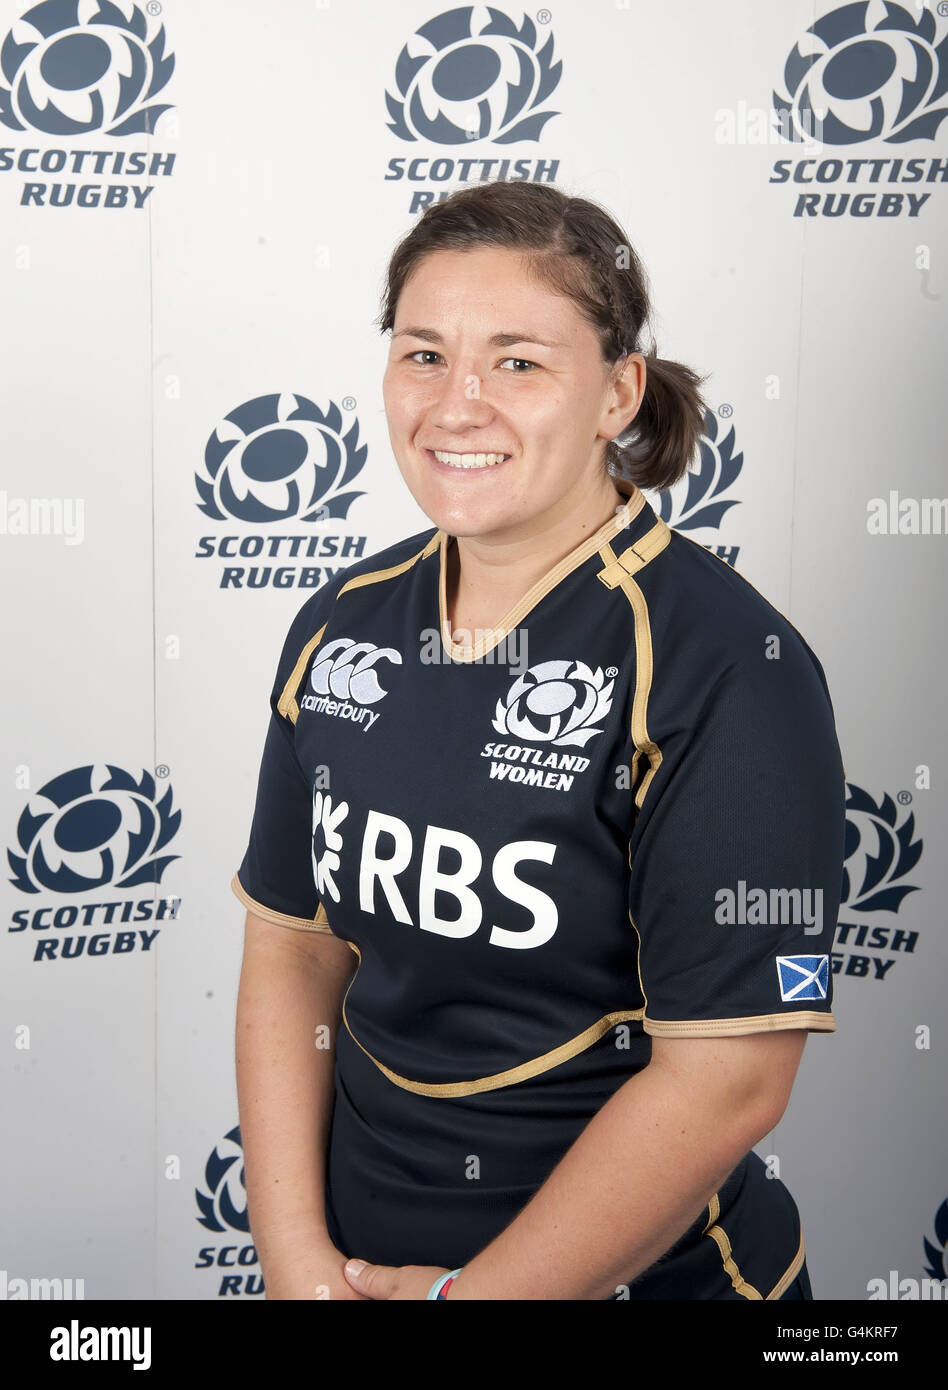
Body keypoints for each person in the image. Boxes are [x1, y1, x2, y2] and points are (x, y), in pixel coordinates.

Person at [232, 180, 846, 1301]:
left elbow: (729, 1082)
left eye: (518, 361)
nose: (458, 405)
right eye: (424, 355)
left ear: (618, 392)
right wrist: (296, 1266)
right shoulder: (340, 622)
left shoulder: (726, 668)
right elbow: (294, 948)